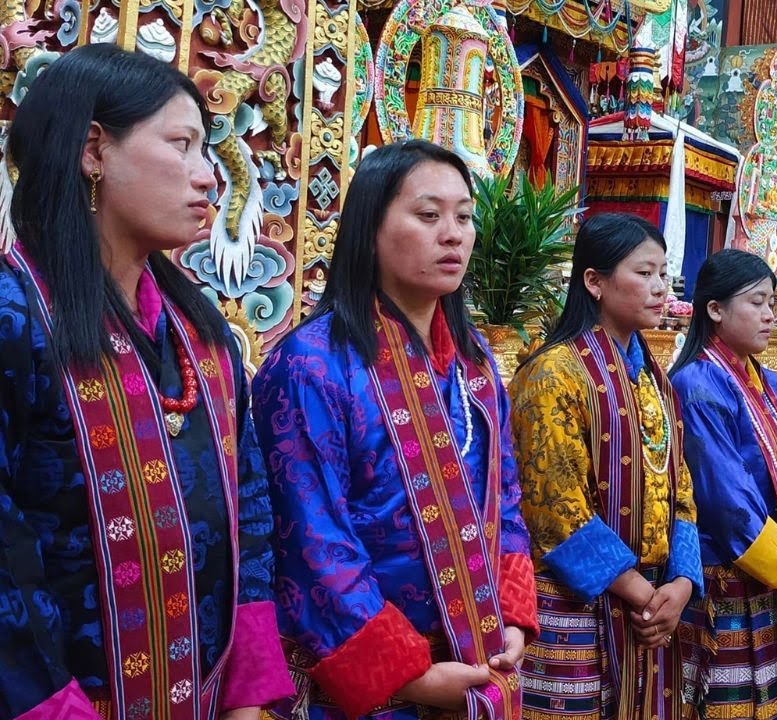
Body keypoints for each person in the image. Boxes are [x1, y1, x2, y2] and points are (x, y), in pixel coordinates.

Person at [0, 44, 291, 719]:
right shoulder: (17, 318)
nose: (208, 178)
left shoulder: (204, 337)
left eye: (205, 150)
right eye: (183, 145)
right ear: (94, 150)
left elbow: (248, 508)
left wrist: (248, 693)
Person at [252, 141, 538, 720]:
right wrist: (408, 674)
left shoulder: (475, 361)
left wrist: (511, 616)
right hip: (370, 690)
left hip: (480, 664)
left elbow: (505, 498)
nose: (454, 234)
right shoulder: (311, 365)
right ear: (370, 227)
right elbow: (313, 541)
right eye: (429, 215)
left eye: (464, 216)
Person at [509, 212, 701, 720]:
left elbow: (680, 484)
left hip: (654, 605)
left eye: (664, 274)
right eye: (644, 273)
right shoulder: (553, 373)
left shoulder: (654, 378)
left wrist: (680, 583)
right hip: (576, 606)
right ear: (594, 281)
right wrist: (640, 590)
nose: (660, 287)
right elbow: (553, 507)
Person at [672, 249, 777, 720]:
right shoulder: (699, 382)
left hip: (775, 565)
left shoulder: (767, 381)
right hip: (731, 566)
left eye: (773, 303)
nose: (769, 315)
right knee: (731, 704)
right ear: (715, 310)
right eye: (757, 302)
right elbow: (724, 497)